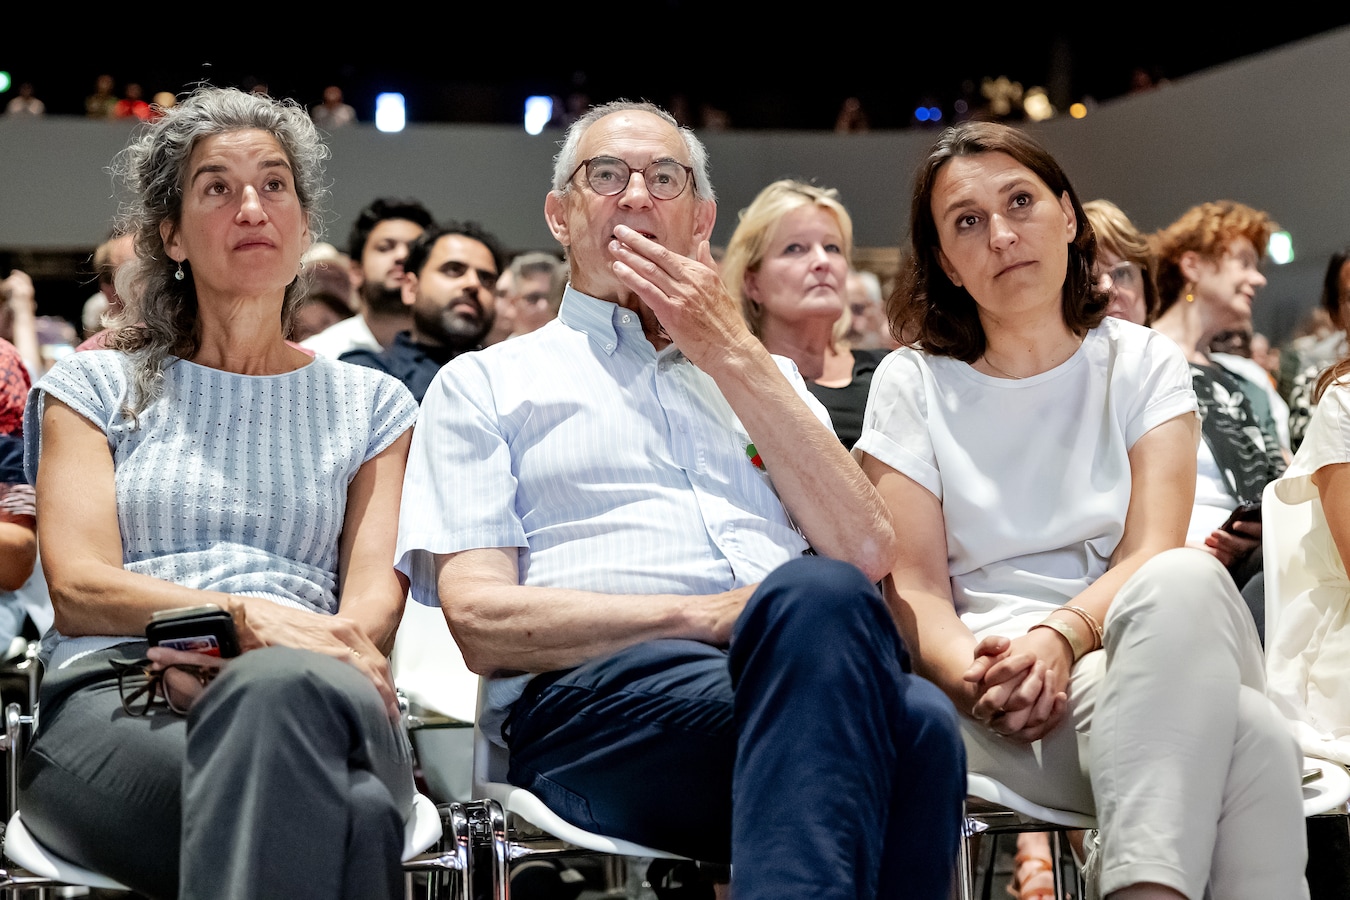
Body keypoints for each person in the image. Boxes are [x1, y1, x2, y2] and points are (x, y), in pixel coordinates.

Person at [396, 99, 964, 899]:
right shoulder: (485, 383)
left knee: (915, 714)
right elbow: (480, 623)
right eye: (606, 175)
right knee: (883, 693)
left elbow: (867, 548)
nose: (636, 195)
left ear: (701, 221)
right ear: (559, 216)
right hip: (598, 707)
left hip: (793, 663)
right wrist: (705, 615)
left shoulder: (766, 376)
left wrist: (732, 350)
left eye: (666, 178)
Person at [856, 121, 1306, 900]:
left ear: (1068, 216)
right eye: (967, 222)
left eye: (1020, 202)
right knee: (1253, 735)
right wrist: (982, 682)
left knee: (1183, 578)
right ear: (947, 264)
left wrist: (1060, 638)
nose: (1002, 235)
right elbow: (916, 590)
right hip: (996, 691)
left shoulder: (1141, 360)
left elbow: (1150, 550)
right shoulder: (912, 383)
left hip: (1136, 637)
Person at [20, 86, 419, 900]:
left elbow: (372, 610)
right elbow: (81, 590)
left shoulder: (374, 405)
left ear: (304, 227)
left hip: (322, 687)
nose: (252, 208)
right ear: (170, 235)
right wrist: (237, 621)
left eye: (275, 185)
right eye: (217, 188)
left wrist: (247, 652)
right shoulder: (96, 387)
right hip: (123, 695)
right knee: (359, 816)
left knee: (279, 706)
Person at [1152, 202, 1285, 629]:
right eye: (1243, 262)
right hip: (1182, 554)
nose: (1258, 278)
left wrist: (1271, 520)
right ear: (1192, 265)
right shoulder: (1135, 359)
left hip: (1263, 550)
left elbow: (1283, 468)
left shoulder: (1243, 377)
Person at [721, 179, 888, 449]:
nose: (822, 261)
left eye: (832, 248)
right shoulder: (729, 385)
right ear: (753, 283)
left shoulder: (887, 372)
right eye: (795, 248)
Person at [341, 221, 503, 402]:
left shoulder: (509, 378)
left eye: (486, 279)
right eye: (453, 270)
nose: (473, 284)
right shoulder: (365, 374)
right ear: (411, 288)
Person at [301, 197, 433, 358]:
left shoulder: (456, 358)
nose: (402, 255)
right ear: (356, 271)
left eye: (414, 249)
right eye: (385, 247)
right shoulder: (316, 355)